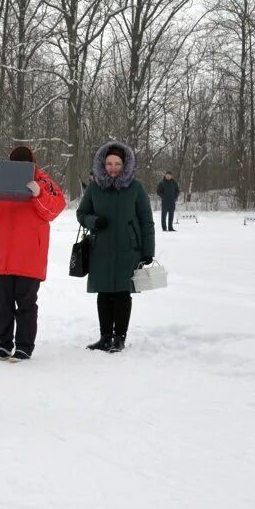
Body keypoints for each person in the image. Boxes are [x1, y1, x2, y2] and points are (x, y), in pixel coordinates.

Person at [0, 145, 66, 361]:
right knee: (2, 304)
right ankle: (3, 345)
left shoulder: (45, 183)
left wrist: (38, 194)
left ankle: (24, 346)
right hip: (2, 255)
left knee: (26, 304)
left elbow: (54, 210)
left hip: (30, 256)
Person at [77, 141, 155, 353]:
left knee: (122, 293)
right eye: (109, 163)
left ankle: (119, 337)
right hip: (100, 248)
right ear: (102, 164)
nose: (113, 167)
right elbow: (81, 214)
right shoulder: (94, 188)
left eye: (117, 163)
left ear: (125, 164)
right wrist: (94, 222)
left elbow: (146, 220)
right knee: (103, 293)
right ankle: (105, 337)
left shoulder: (136, 188)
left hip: (128, 249)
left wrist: (148, 251)